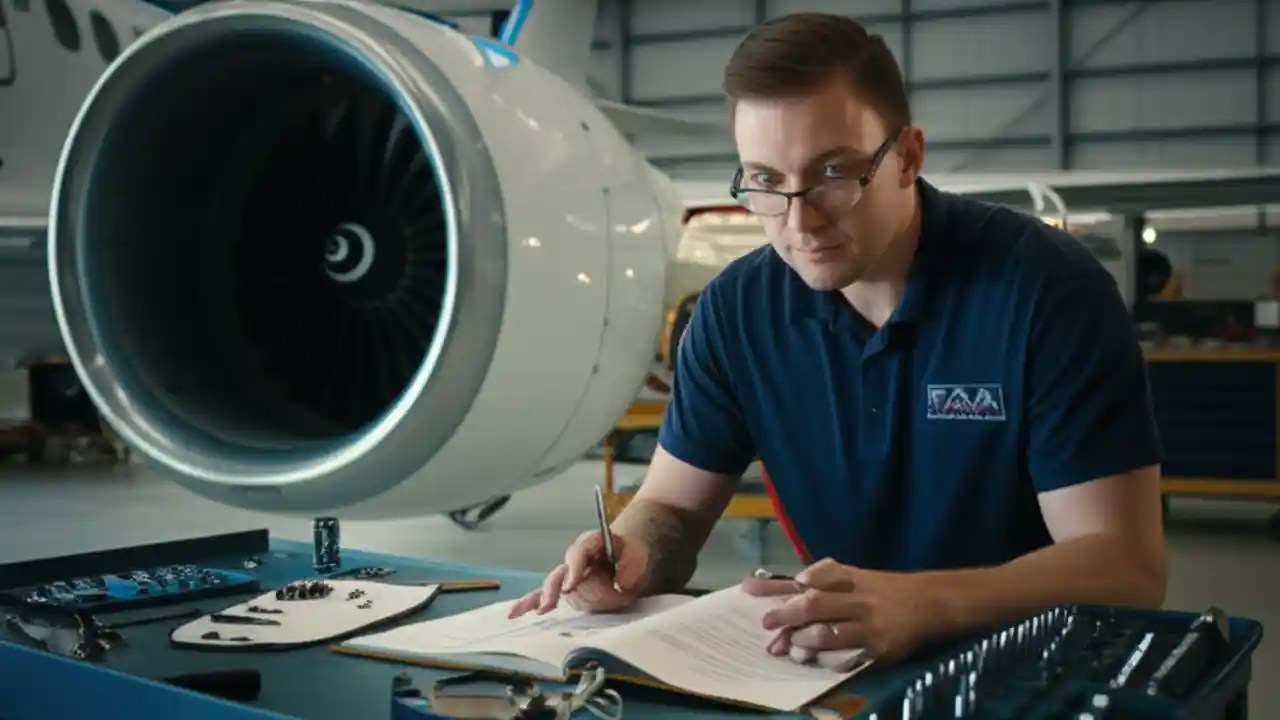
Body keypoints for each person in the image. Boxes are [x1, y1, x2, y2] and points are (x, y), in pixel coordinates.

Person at [508, 11, 1167, 669]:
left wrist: (919, 604)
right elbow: (671, 508)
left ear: (908, 156)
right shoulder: (736, 313)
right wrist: (633, 551)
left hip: (1037, 669)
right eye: (765, 180)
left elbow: (1125, 566)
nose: (799, 221)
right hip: (840, 669)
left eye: (832, 173)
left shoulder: (1046, 293)